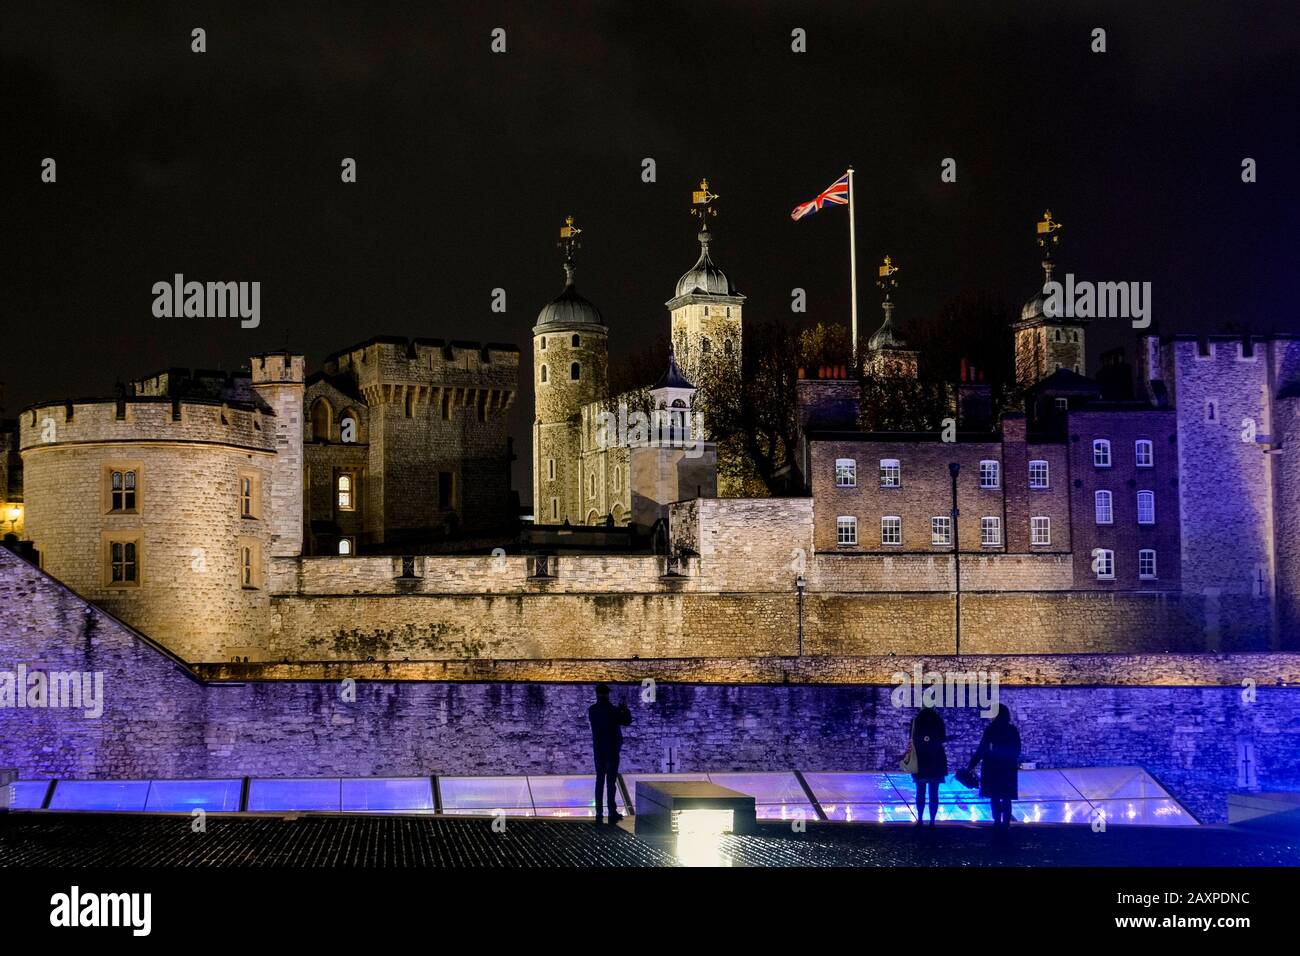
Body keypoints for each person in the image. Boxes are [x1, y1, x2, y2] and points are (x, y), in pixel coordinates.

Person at [967, 703, 1021, 830]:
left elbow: (982, 749)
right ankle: (1006, 824)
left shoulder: (991, 729)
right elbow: (1017, 749)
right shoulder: (1012, 730)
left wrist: (971, 765)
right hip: (1008, 768)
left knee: (995, 796)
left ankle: (997, 822)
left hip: (992, 767)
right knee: (1007, 797)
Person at [588, 683, 631, 824]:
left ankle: (599, 812)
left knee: (599, 780)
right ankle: (612, 811)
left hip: (598, 749)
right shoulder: (612, 710)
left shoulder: (592, 710)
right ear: (607, 694)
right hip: (612, 749)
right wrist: (624, 710)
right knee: (610, 782)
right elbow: (626, 721)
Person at [910, 704, 948, 827]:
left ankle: (920, 819)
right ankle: (932, 821)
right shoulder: (938, 720)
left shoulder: (915, 721)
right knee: (934, 793)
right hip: (936, 760)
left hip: (921, 760)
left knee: (920, 792)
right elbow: (942, 738)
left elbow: (912, 739)